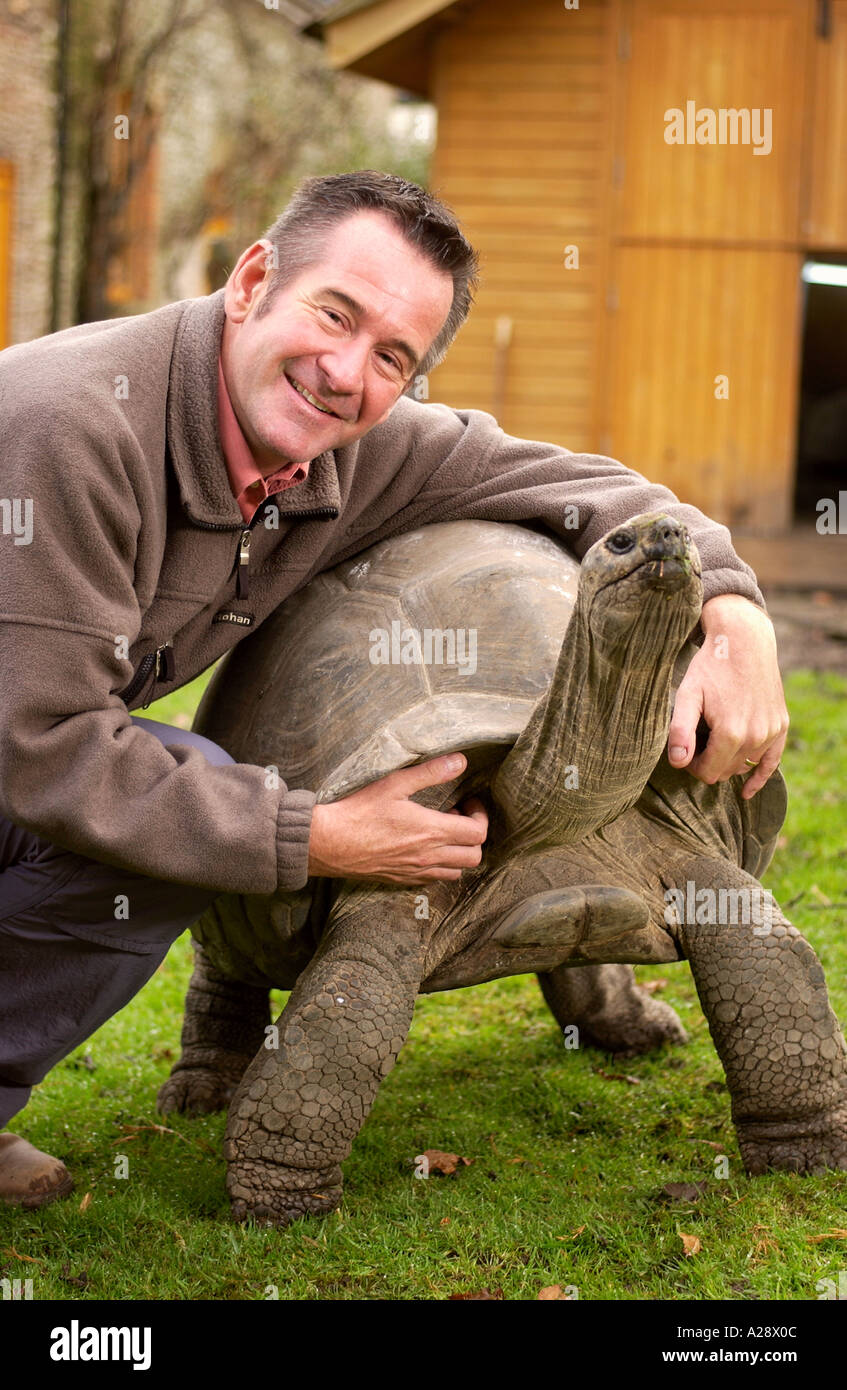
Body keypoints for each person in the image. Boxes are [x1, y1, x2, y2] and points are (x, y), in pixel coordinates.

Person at [0, 171, 787, 1207]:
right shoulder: (73, 425)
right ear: (252, 281)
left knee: (184, 794)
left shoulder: (350, 451)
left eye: (390, 357)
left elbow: (598, 491)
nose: (343, 371)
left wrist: (735, 614)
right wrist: (315, 836)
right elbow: (43, 744)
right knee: (172, 806)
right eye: (336, 314)